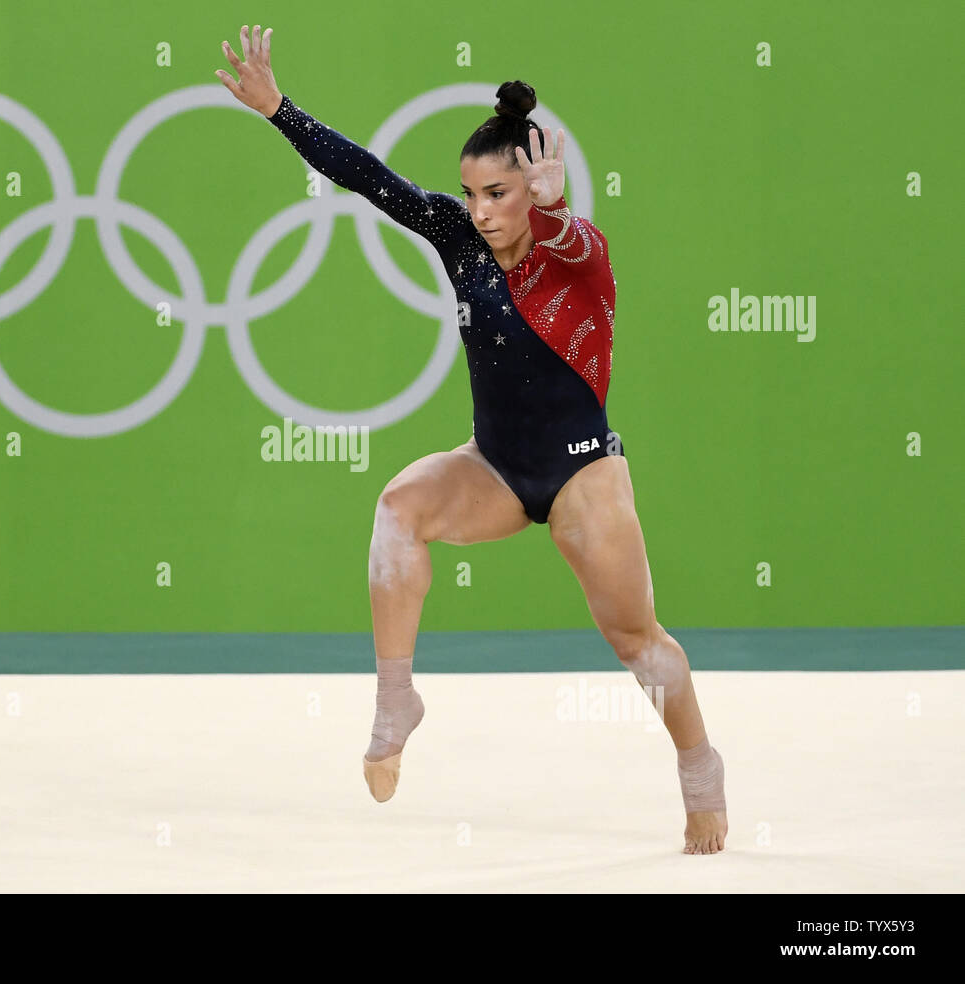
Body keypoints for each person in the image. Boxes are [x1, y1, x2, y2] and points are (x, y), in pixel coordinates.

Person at [217, 24, 727, 854]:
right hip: (493, 465)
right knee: (398, 507)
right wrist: (280, 111)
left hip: (579, 476)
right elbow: (371, 181)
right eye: (473, 194)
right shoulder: (460, 240)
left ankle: (700, 770)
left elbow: (572, 240)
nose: (482, 211)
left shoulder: (580, 259)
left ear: (530, 190)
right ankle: (395, 700)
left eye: (499, 194)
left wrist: (555, 206)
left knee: (635, 638)